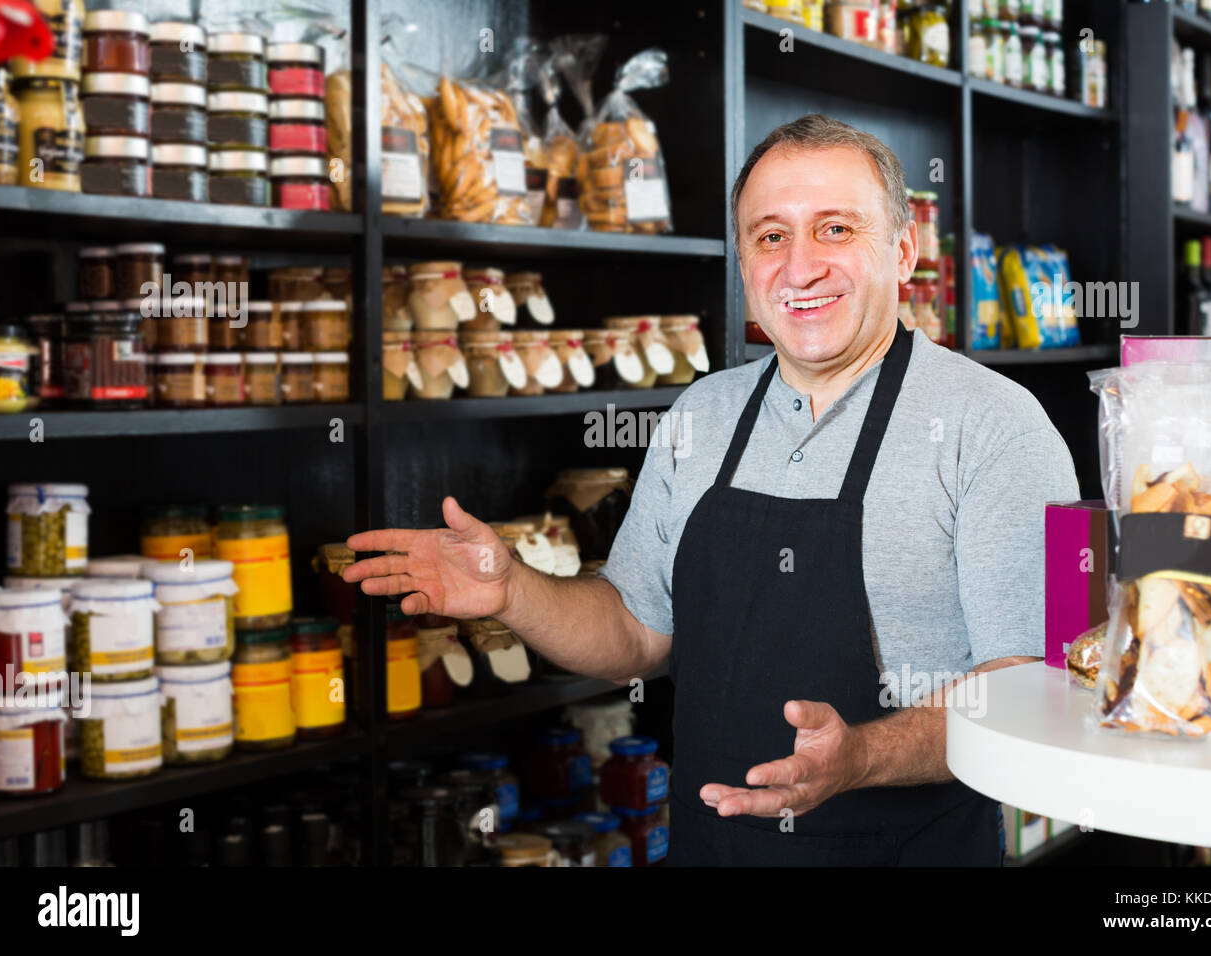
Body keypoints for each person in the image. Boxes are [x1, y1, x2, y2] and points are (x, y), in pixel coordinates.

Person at [345, 113, 1079, 866]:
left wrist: (860, 756)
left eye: (835, 230)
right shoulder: (702, 414)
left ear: (902, 251)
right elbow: (636, 633)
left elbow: (1029, 687)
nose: (799, 268)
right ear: (743, 262)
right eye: (770, 237)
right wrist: (513, 592)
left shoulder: (993, 426)